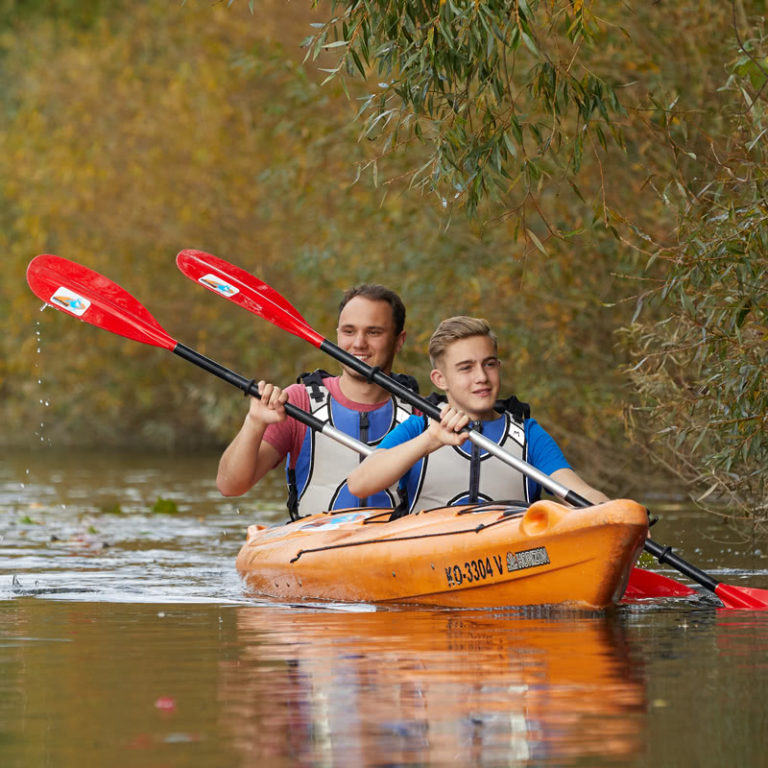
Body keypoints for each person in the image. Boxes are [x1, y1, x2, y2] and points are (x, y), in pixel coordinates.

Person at [347, 316, 608, 513]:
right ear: (440, 380)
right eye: (466, 368)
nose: (482, 377)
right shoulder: (418, 428)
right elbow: (360, 483)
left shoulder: (526, 435)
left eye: (489, 364)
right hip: (428, 570)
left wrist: (612, 511)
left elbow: (579, 491)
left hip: (511, 567)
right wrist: (430, 440)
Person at [216, 284, 417, 518]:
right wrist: (254, 422)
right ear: (337, 335)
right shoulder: (299, 402)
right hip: (315, 546)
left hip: (393, 547)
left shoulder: (419, 414)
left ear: (399, 340)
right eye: (349, 331)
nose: (359, 343)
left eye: (373, 332)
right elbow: (230, 486)